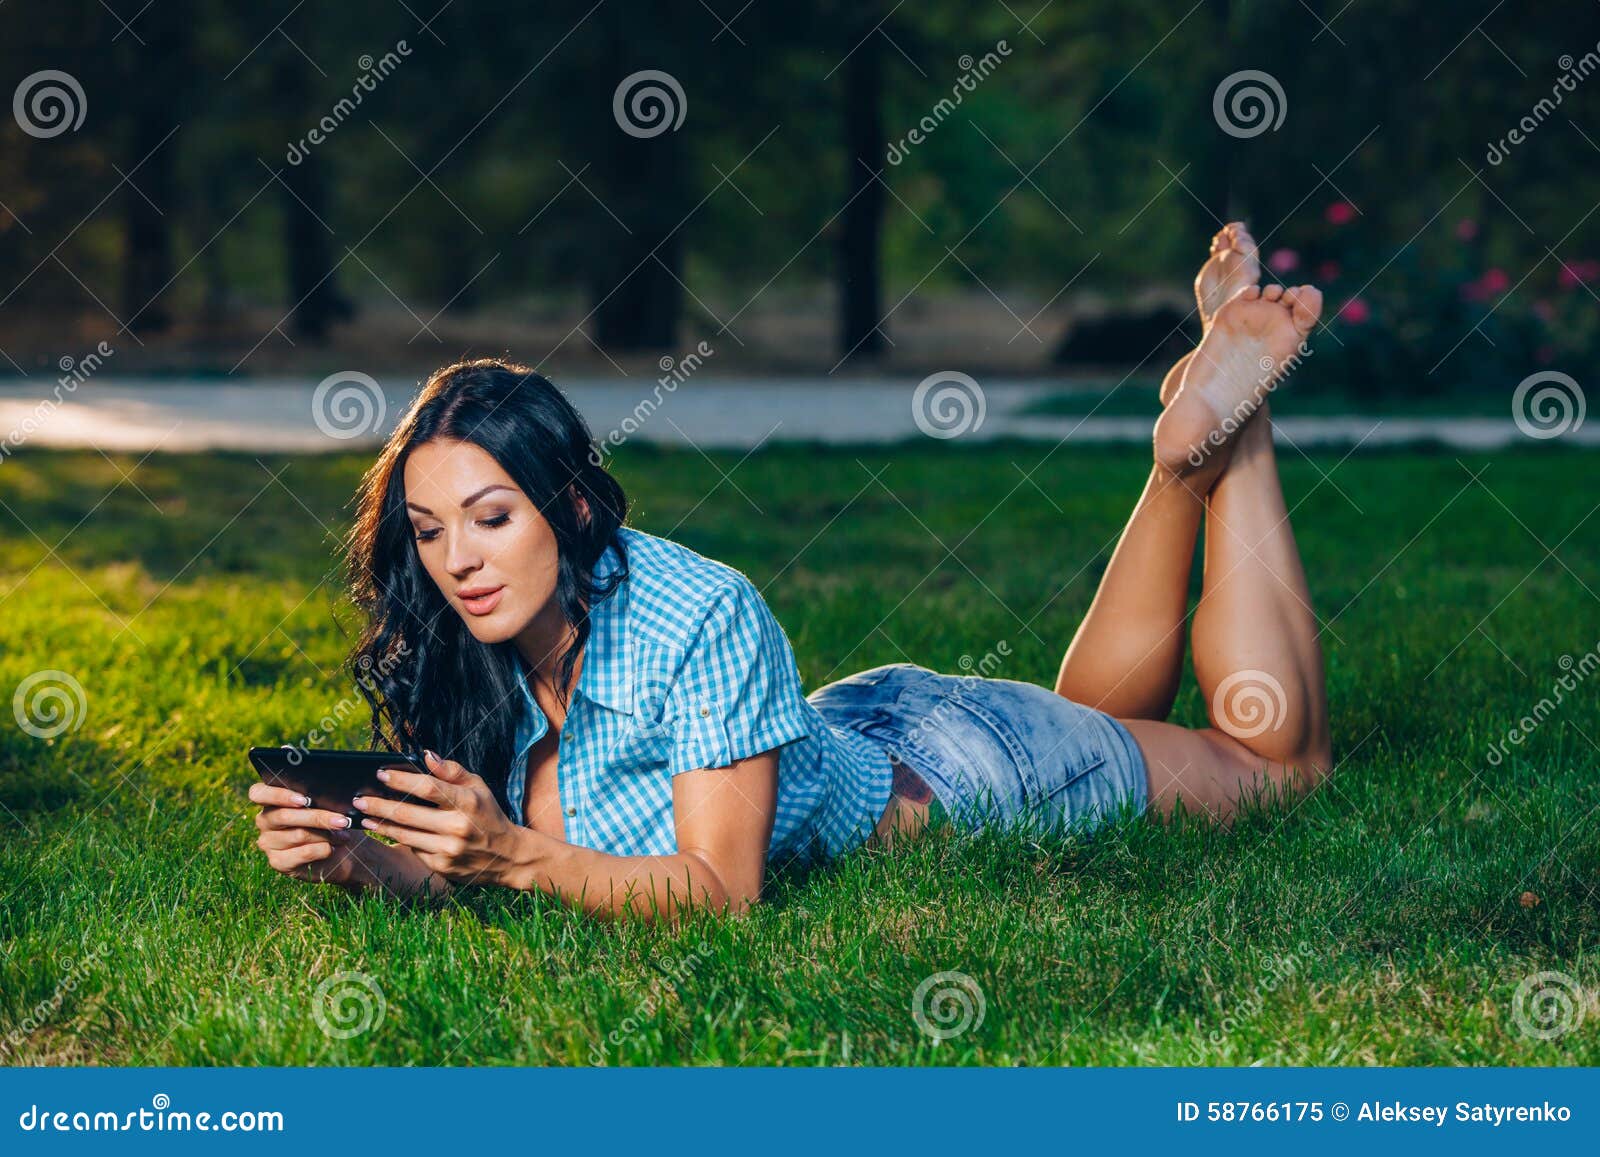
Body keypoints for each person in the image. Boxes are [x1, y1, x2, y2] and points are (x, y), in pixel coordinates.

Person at [248, 223, 1332, 922]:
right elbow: (470, 869)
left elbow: (721, 893)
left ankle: (1233, 431)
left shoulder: (694, 612)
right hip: (886, 727)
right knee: (1101, 712)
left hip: (971, 776)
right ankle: (1183, 451)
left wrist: (516, 855)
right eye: (429, 531)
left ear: (571, 505)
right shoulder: (474, 647)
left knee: (1281, 767)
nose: (457, 561)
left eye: (491, 517)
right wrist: (364, 863)